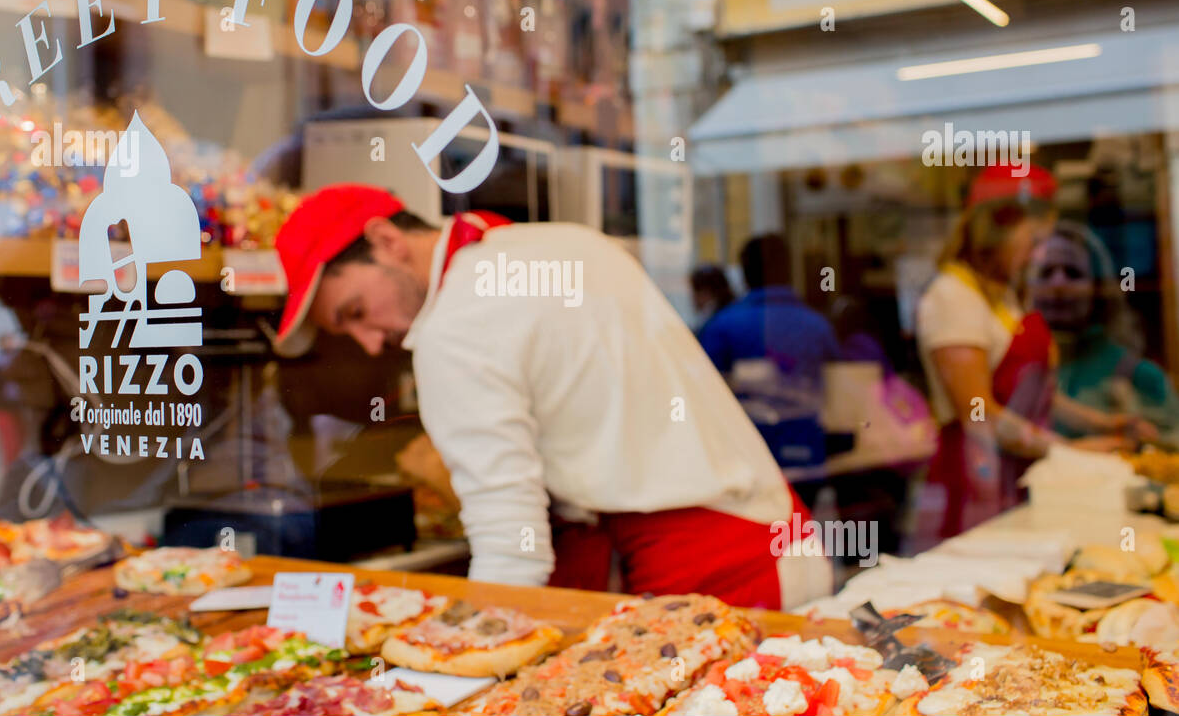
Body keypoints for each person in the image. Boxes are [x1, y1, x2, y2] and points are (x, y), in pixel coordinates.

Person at [271, 184, 831, 609]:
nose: (371, 344)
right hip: (775, 533)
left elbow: (513, 550)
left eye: (356, 312)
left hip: (705, 568)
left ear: (386, 242)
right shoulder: (562, 242)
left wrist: (463, 670)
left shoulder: (455, 329)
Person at [916, 164, 1154, 538]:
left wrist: (1102, 424)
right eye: (1034, 240)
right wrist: (1070, 453)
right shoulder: (953, 297)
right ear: (996, 228)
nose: (1039, 256)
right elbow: (980, 415)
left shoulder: (1003, 296)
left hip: (1018, 474)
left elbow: (1036, 395)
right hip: (975, 481)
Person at [1027, 221, 1179, 440]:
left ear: (1099, 288)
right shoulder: (1008, 372)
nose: (1058, 283)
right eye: (1045, 272)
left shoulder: (1141, 376)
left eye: (1073, 273)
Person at [696, 233, 841, 388]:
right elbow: (837, 386)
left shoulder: (721, 327)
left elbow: (704, 388)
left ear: (745, 274)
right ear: (789, 270)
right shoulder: (818, 327)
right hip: (811, 412)